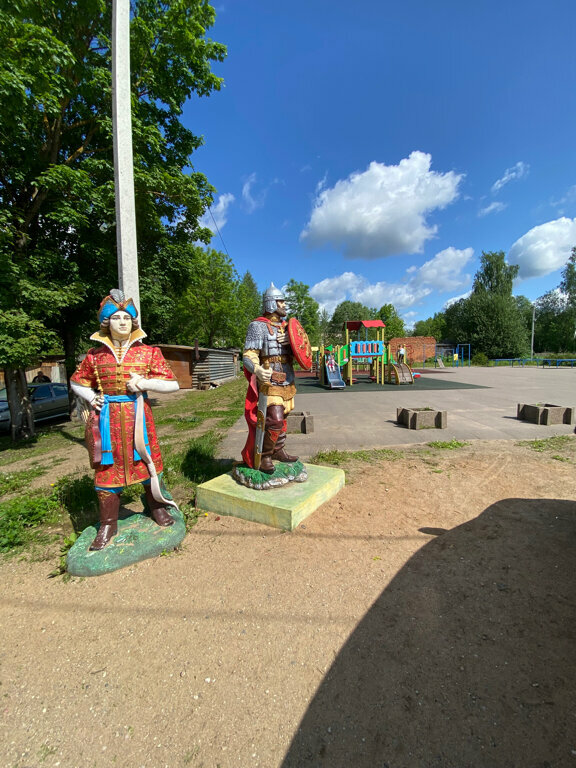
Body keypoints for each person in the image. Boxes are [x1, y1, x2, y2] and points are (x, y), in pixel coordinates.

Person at [70, 289, 179, 550]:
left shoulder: (149, 352)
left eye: (127, 318)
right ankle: (108, 522)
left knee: (146, 459)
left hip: (138, 417)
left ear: (134, 322)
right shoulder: (95, 355)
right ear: (107, 323)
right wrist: (90, 396)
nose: (122, 322)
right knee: (107, 468)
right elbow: (77, 381)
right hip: (106, 421)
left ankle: (156, 506)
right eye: (117, 318)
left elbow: (172, 384)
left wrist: (144, 382)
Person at [241, 283, 299, 474]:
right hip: (269, 379)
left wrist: (291, 344)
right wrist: (257, 370)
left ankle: (278, 450)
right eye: (281, 301)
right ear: (271, 303)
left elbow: (300, 353)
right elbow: (248, 355)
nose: (284, 305)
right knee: (274, 419)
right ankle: (265, 455)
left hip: (287, 379)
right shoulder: (257, 326)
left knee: (284, 418)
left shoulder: (287, 328)